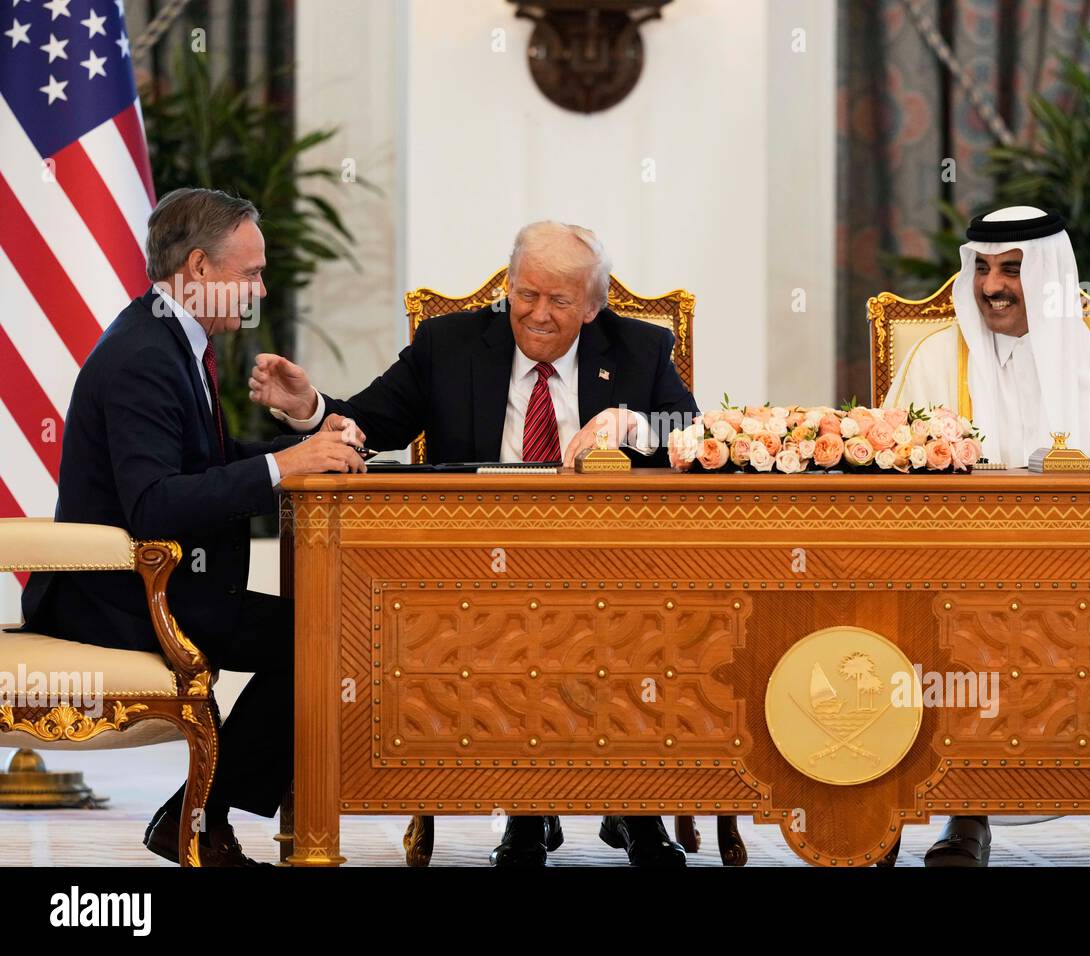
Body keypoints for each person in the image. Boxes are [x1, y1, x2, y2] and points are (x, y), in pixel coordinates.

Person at [248, 220, 699, 866]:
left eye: (560, 301)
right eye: (525, 294)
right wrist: (310, 407)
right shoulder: (450, 344)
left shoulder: (640, 349)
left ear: (594, 306)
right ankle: (524, 810)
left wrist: (632, 423)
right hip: (478, 564)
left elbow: (696, 434)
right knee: (517, 622)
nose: (537, 316)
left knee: (625, 621)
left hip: (610, 561)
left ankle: (634, 807)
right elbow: (369, 424)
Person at [20, 187, 365, 866]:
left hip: (167, 587)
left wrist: (299, 454)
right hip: (119, 599)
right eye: (251, 274)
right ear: (200, 270)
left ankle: (197, 814)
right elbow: (155, 504)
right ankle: (198, 817)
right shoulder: (145, 355)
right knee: (323, 640)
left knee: (324, 631)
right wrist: (287, 464)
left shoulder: (169, 336)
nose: (259, 290)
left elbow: (200, 465)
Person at [886, 205, 1090, 867]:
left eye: (1012, 270)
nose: (992, 285)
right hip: (967, 578)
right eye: (983, 268)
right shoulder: (936, 359)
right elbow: (892, 496)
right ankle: (962, 813)